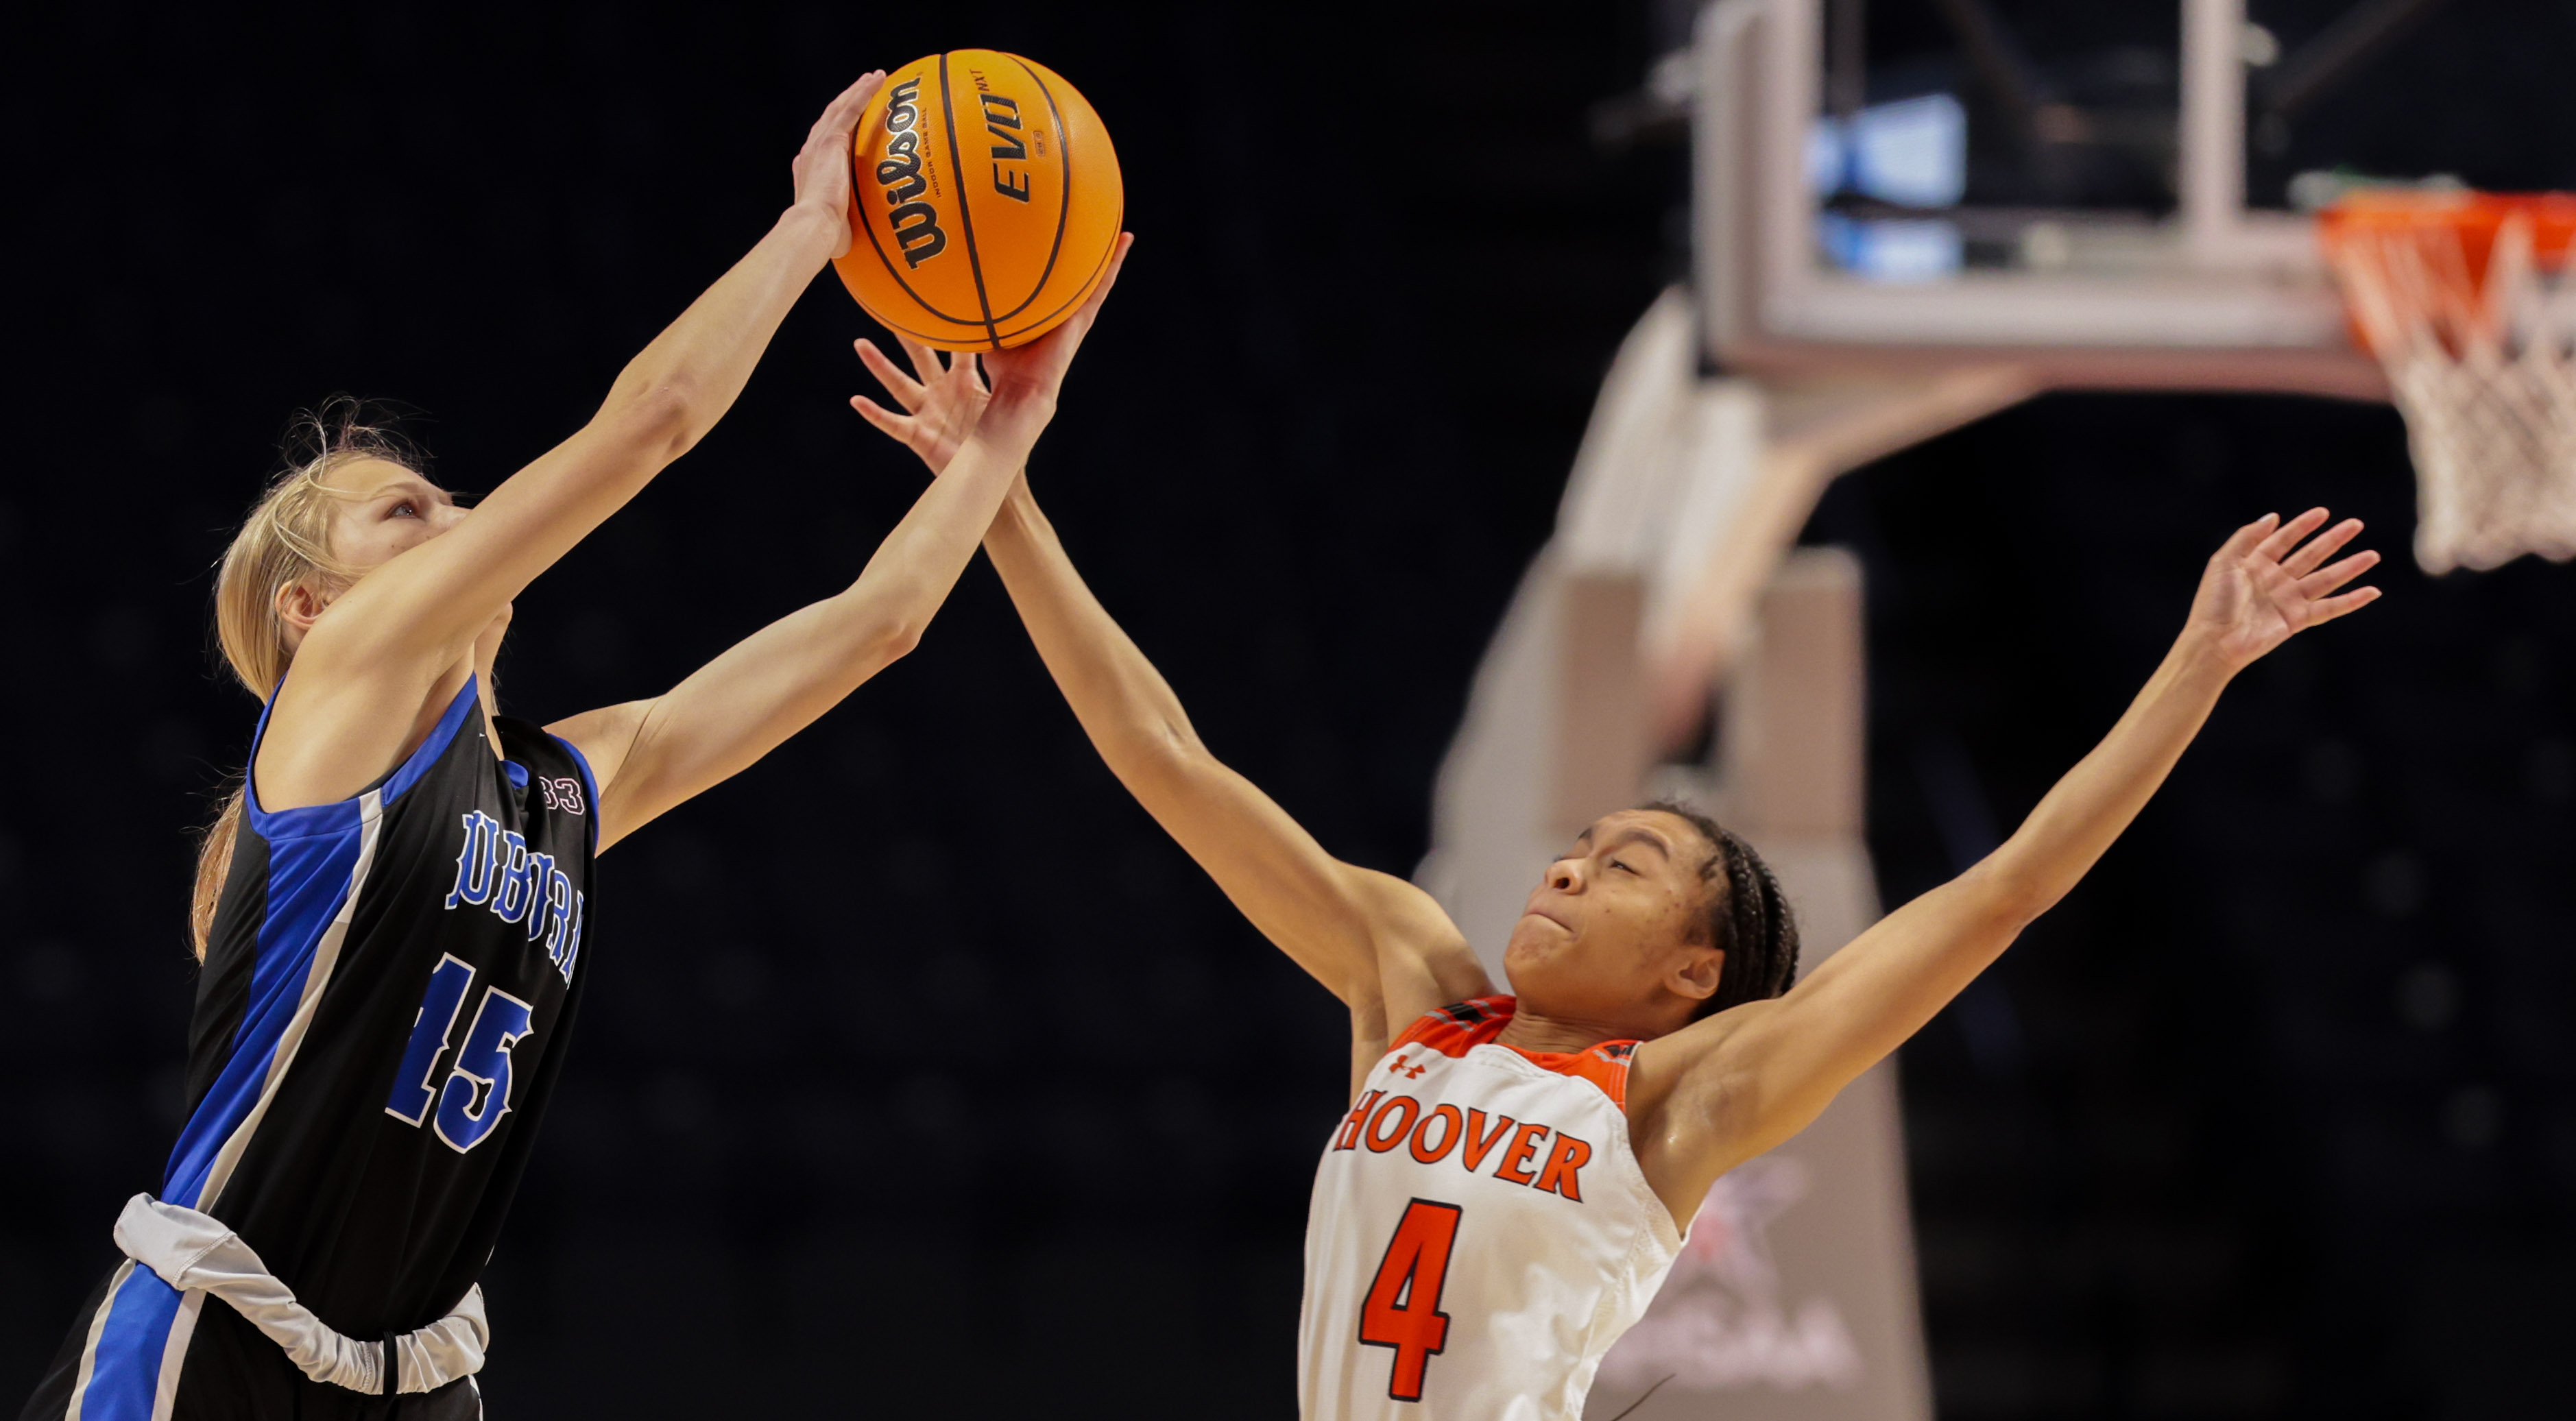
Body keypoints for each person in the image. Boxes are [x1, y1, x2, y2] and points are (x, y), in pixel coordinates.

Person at [854, 339, 2381, 1420]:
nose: (1572, 858)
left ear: (1689, 973)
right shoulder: (1405, 972)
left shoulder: (1677, 1098)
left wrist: (2197, 664)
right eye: (1582, 841)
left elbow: (2003, 892)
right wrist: (1005, 485)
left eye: (1627, 861)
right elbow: (1162, 754)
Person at [26, 67, 1131, 1420]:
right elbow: (650, 426)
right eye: (408, 513)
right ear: (312, 611)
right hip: (222, 1343)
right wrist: (813, 228)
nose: (463, 517)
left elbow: (876, 626)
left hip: (419, 1374)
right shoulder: (343, 695)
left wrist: (1006, 432)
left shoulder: (558, 782)